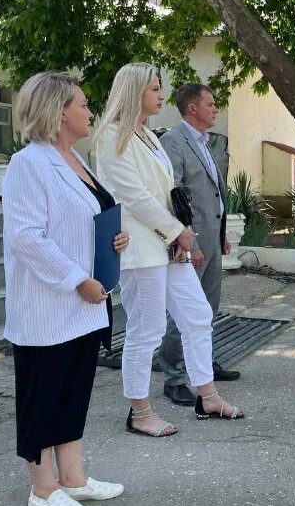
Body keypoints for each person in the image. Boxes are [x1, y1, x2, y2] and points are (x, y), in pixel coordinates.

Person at [3, 72, 129, 506]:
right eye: (83, 103)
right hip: (49, 307)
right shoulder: (29, 163)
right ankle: (42, 488)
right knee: (43, 396)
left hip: (84, 307)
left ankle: (73, 478)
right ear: (58, 112)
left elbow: (85, 219)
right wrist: (78, 278)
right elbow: (27, 238)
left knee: (73, 392)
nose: (89, 111)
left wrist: (113, 240)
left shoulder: (78, 160)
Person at [95, 63, 244, 434]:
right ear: (133, 92)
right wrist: (178, 233)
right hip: (140, 246)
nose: (161, 96)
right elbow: (134, 196)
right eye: (155, 89)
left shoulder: (146, 134)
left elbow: (167, 194)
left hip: (167, 243)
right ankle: (140, 412)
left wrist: (178, 234)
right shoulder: (112, 136)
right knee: (147, 329)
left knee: (196, 315)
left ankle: (206, 395)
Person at [158, 83, 239, 407]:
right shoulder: (173, 142)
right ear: (192, 108)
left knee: (207, 310)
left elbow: (211, 195)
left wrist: (219, 235)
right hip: (188, 242)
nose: (215, 109)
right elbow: (173, 194)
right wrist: (188, 239)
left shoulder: (206, 142)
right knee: (184, 312)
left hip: (211, 239)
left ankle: (203, 367)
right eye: (211, 103)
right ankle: (175, 377)